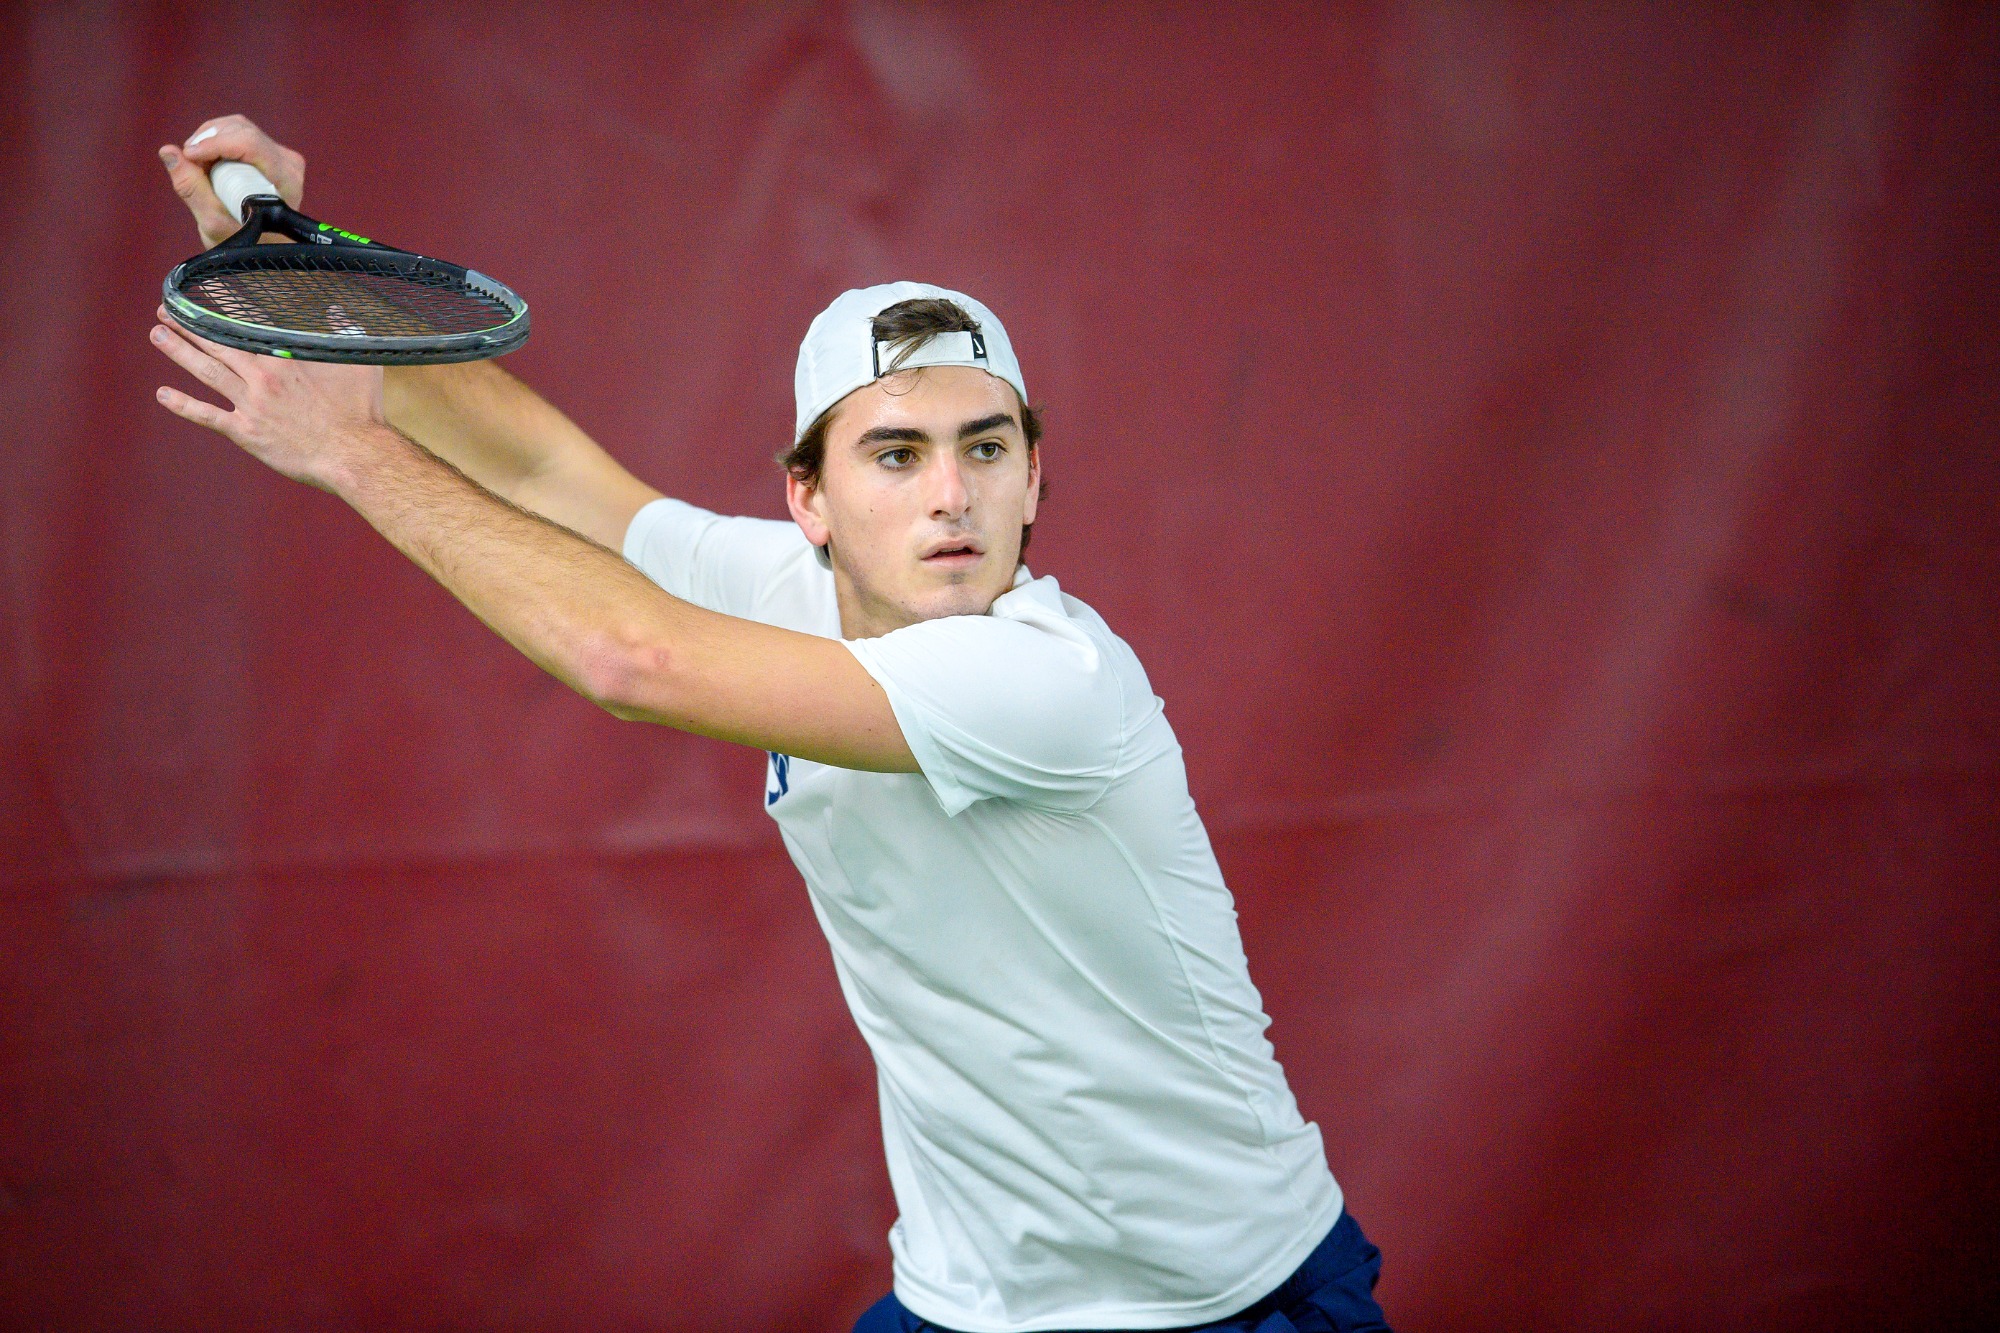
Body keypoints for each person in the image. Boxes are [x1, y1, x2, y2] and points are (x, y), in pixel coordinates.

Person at [152, 116, 1393, 1333]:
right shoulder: (783, 586)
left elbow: (629, 656)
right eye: (895, 455)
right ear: (809, 498)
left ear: (1033, 478)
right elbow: (541, 474)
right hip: (966, 1298)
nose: (951, 494)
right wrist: (298, 274)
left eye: (984, 448)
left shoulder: (1049, 679)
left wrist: (353, 456)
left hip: (1218, 1299)